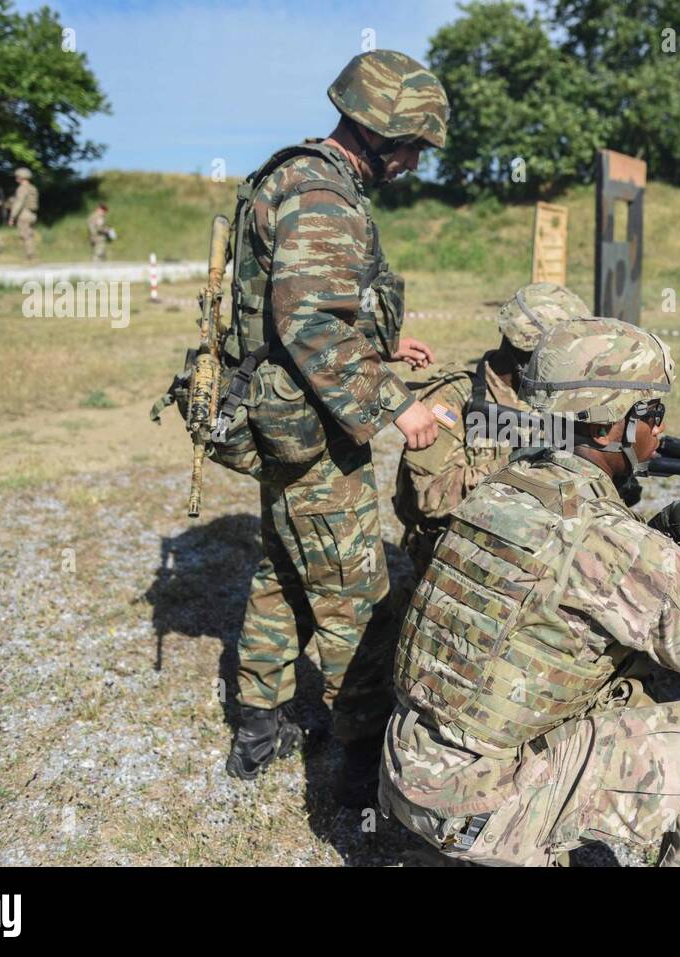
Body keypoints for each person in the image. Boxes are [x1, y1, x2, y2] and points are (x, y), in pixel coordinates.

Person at [380, 316, 680, 866]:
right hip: (480, 804)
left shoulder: (504, 487)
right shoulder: (611, 544)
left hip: (412, 763)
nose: (659, 431)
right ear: (607, 424)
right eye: (652, 414)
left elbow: (564, 592)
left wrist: (660, 532)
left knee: (647, 677)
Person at [223, 50, 449, 808]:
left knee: (284, 569)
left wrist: (382, 346)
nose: (416, 161)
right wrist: (397, 402)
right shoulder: (322, 193)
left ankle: (260, 725)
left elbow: (301, 310)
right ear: (379, 131)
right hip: (312, 432)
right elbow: (312, 320)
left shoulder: (302, 176)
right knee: (359, 592)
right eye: (413, 144)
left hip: (283, 419)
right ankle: (362, 762)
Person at [392, 282, 590, 578]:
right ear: (527, 353)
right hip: (458, 563)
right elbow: (426, 498)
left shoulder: (556, 400)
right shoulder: (454, 400)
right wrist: (515, 467)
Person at [8, 167, 39, 263]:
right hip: (32, 215)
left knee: (25, 237)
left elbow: (19, 203)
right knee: (29, 236)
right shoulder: (32, 188)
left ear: (21, 177)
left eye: (17, 176)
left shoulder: (22, 188)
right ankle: (32, 257)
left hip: (24, 215)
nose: (16, 178)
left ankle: (30, 258)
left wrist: (12, 216)